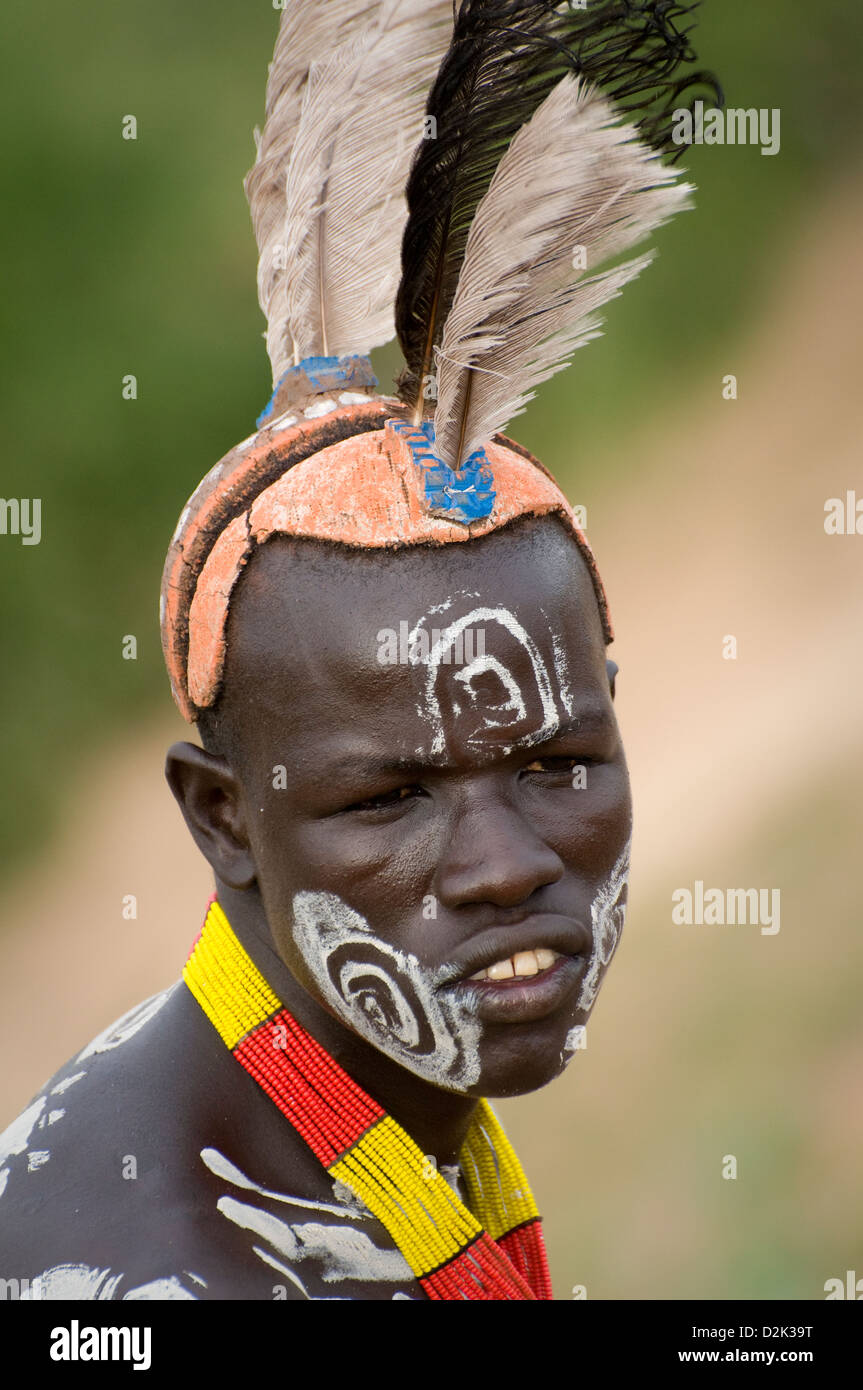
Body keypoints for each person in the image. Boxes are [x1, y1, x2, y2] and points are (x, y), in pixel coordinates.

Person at [0, 0, 717, 1300]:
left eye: (557, 762)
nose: (507, 867)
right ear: (223, 819)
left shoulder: (309, 1138)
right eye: (389, 796)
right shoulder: (176, 1273)